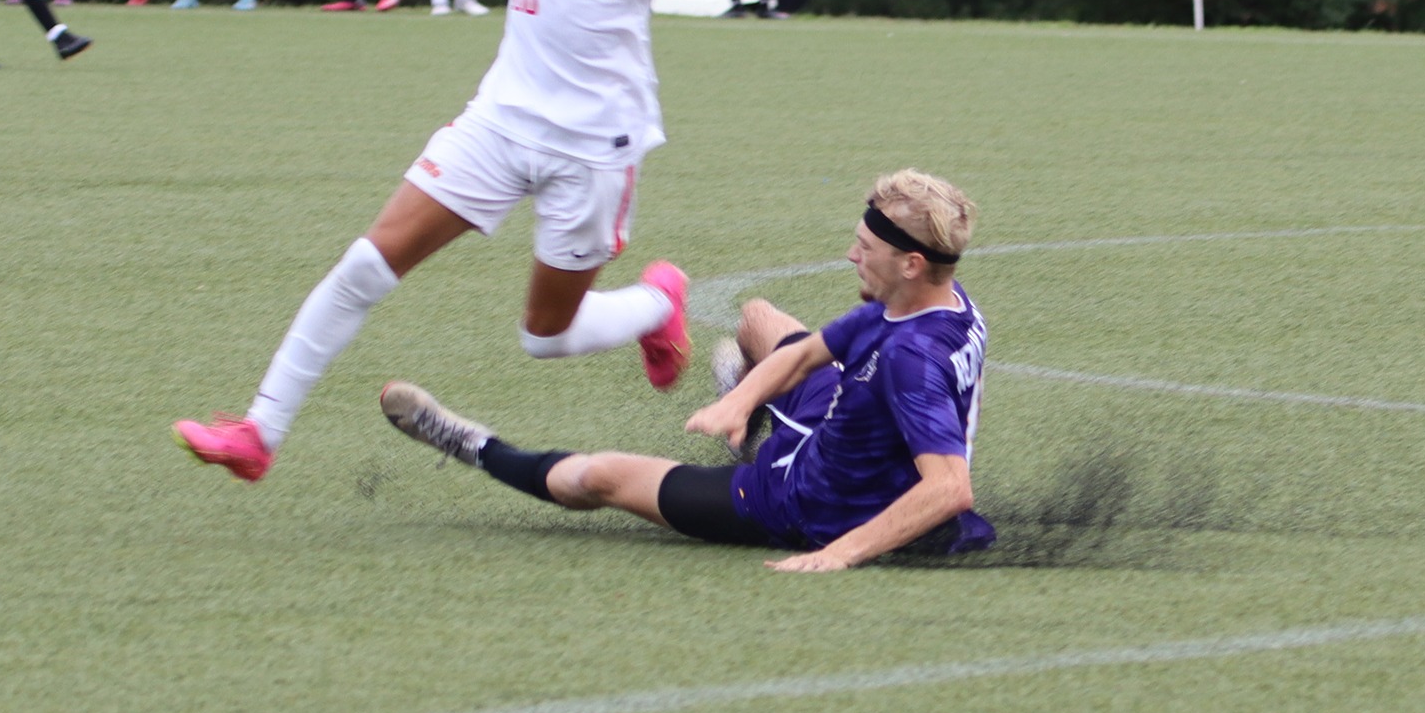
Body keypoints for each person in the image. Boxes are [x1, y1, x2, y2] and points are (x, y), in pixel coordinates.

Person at [174, 0, 732, 483]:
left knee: (544, 336)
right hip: (501, 118)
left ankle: (655, 304)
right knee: (368, 263)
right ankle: (258, 432)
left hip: (590, 144)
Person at [380, 170, 994, 572]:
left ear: (912, 263)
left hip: (800, 502)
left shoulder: (913, 360)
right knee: (758, 320)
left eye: (866, 248)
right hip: (838, 426)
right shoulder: (940, 303)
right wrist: (737, 401)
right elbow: (809, 353)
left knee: (597, 477)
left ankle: (474, 445)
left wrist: (841, 552)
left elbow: (949, 488)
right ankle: (748, 418)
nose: (850, 254)